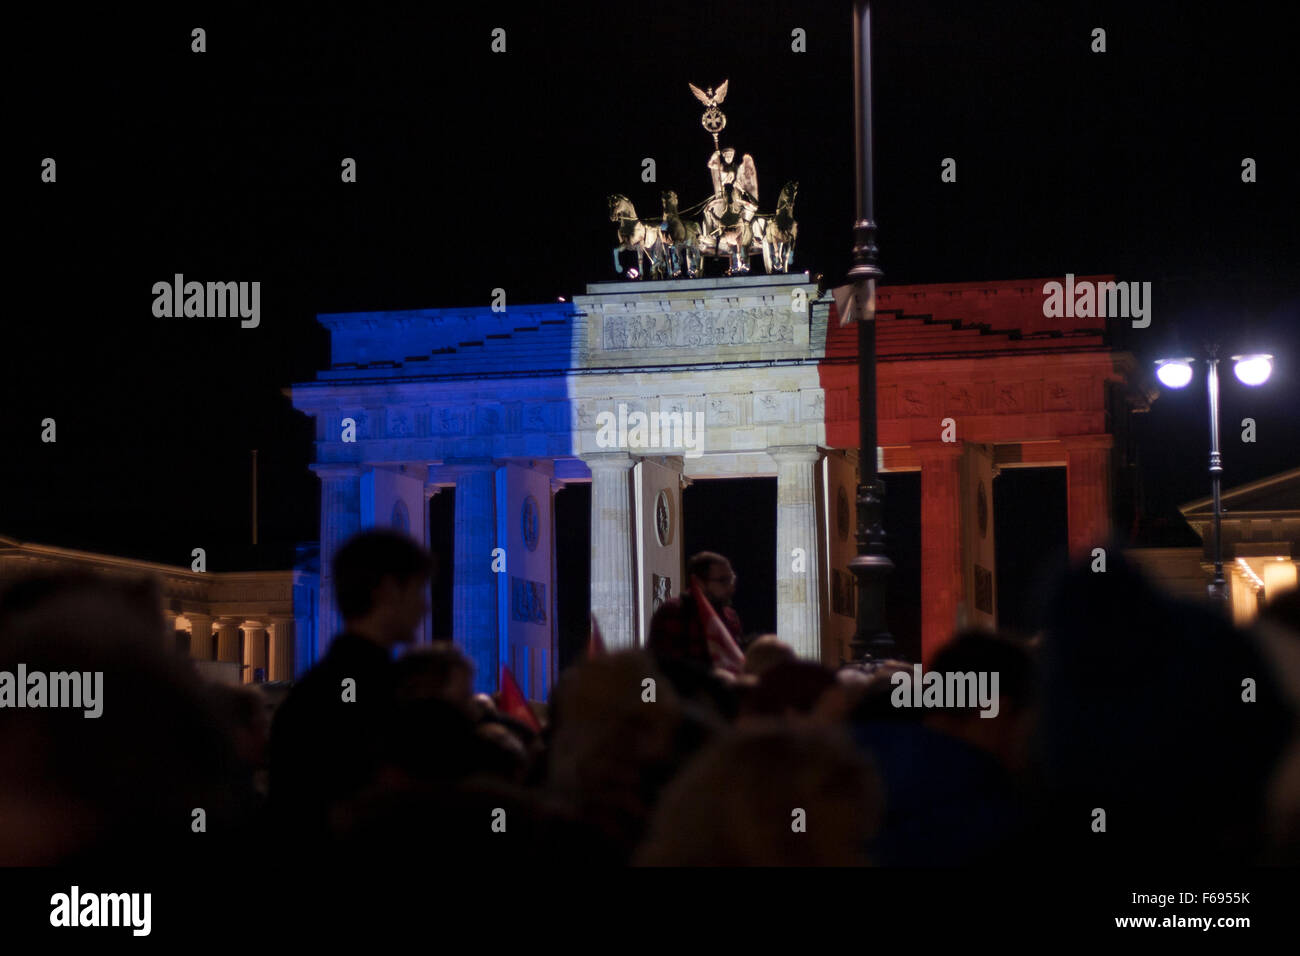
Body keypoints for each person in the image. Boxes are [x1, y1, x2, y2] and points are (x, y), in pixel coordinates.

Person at [268, 529, 432, 849]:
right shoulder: (384, 693)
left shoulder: (310, 692)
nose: (424, 608)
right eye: (417, 591)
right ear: (387, 591)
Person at [647, 551, 744, 671]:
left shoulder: (730, 616)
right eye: (723, 580)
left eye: (731, 579)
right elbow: (663, 666)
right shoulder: (673, 611)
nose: (731, 587)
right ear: (698, 582)